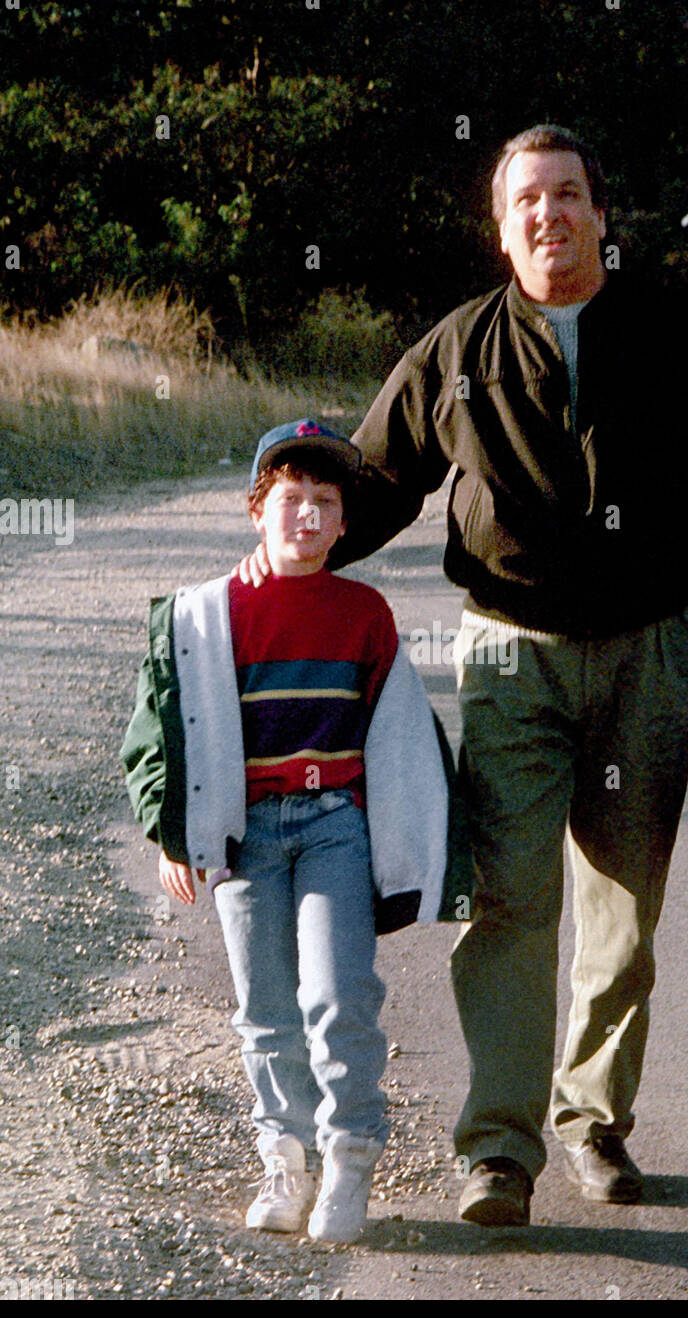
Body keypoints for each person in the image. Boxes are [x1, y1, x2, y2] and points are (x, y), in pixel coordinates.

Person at [242, 125, 688, 1228]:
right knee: (507, 901)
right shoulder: (456, 351)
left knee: (623, 910)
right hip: (508, 655)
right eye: (525, 203)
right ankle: (498, 1148)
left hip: (650, 649)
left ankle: (594, 1122)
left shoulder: (684, 344)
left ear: (603, 213)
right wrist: (288, 552)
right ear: (501, 232)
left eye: (566, 195)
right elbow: (375, 481)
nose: (548, 215)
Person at [120, 419, 449, 1243]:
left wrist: (412, 851)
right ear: (257, 510)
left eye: (324, 503)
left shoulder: (365, 615)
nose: (305, 517)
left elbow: (403, 739)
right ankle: (285, 1157)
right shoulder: (204, 618)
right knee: (265, 1006)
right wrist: (172, 831)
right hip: (247, 834)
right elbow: (158, 734)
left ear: (343, 524)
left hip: (335, 826)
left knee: (339, 996)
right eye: (290, 499)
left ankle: (348, 1160)